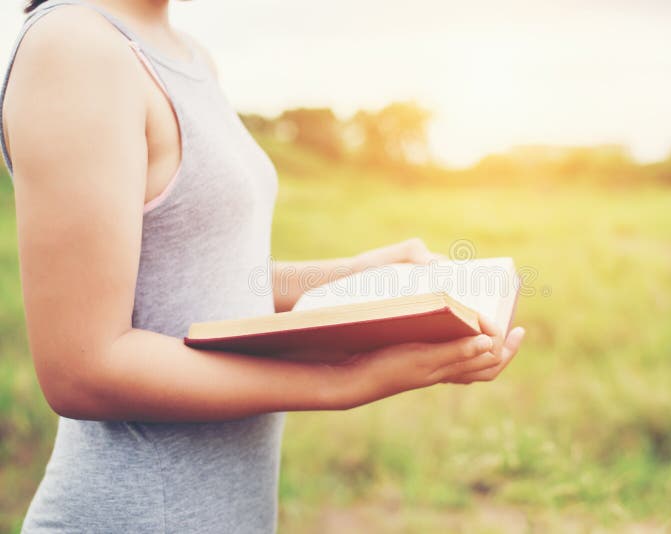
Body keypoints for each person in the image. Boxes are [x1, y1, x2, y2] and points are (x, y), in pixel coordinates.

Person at [0, 0, 525, 531]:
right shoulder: (72, 49)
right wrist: (341, 383)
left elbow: (201, 281)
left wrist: (363, 273)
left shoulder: (187, 53)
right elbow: (84, 369)